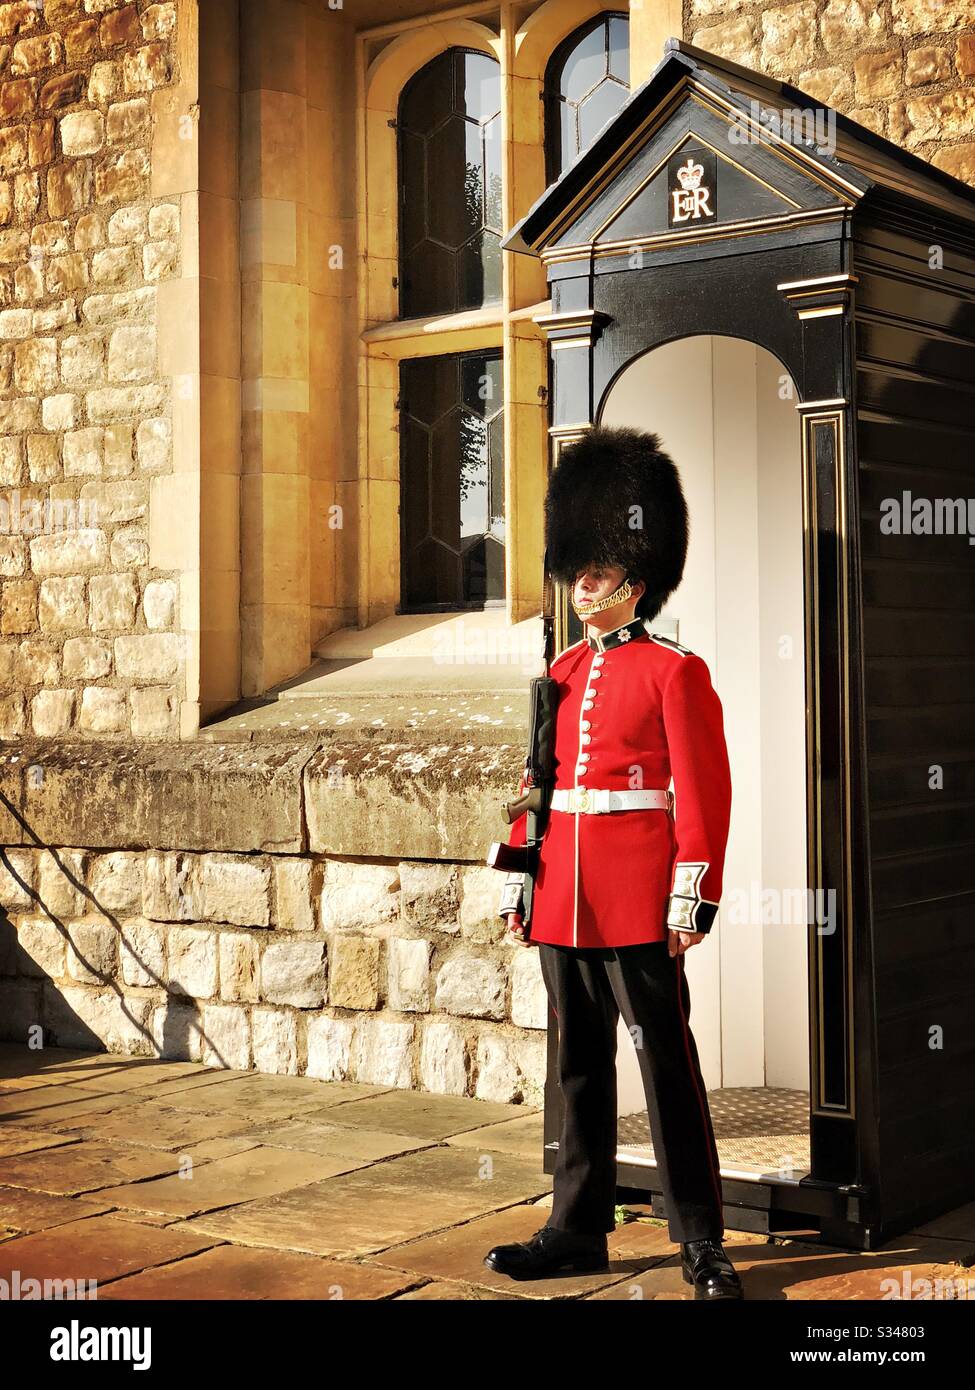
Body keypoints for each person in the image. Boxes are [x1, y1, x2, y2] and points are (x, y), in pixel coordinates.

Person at [483, 425, 743, 1299]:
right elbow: (539, 788)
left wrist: (690, 897)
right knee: (575, 1066)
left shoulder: (676, 673)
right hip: (565, 894)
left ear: (636, 575)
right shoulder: (559, 670)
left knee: (665, 1067)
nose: (578, 582)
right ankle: (576, 1226)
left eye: (595, 568)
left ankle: (700, 1242)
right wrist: (526, 880)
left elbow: (703, 797)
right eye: (577, 566)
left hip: (639, 897)